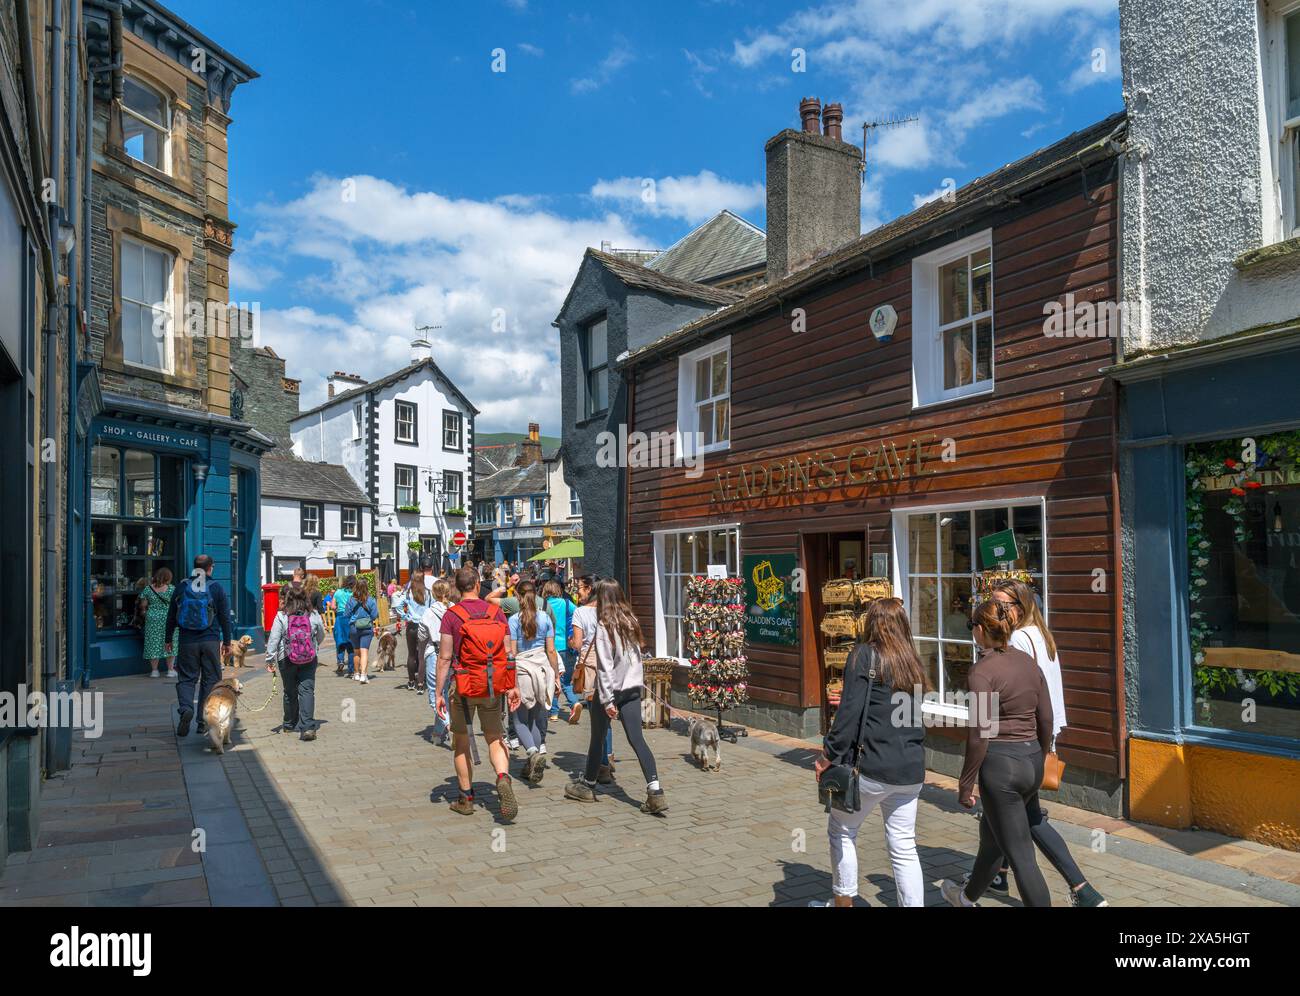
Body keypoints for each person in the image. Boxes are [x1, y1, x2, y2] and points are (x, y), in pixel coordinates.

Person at [972, 580, 1108, 907]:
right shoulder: (1042, 635)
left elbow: (1016, 692)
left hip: (1022, 740)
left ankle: (1082, 889)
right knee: (1007, 820)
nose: (998, 610)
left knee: (1029, 821)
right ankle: (999, 877)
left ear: (1019, 607)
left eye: (1003, 604)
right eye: (993, 603)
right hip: (1043, 734)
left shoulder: (1018, 638)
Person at [809, 598, 928, 907]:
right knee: (903, 846)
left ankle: (842, 904)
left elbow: (848, 717)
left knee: (842, 831)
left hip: (871, 767)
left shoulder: (863, 655)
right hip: (911, 769)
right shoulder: (912, 660)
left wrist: (827, 756)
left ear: (871, 623)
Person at [941, 600, 1053, 908]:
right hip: (1031, 759)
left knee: (1022, 859)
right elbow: (1046, 719)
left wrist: (966, 784)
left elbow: (980, 734)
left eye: (971, 627)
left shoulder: (982, 671)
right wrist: (1038, 757)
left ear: (979, 630)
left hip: (1002, 769)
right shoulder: (1029, 663)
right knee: (993, 840)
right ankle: (966, 898)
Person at [563, 579, 666, 814]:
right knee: (637, 739)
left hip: (610, 691)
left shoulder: (604, 625)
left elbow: (605, 667)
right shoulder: (631, 621)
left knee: (597, 738)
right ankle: (655, 790)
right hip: (631, 689)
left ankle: (587, 786)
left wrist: (608, 700)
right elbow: (636, 659)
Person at [434, 567, 520, 820]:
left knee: (461, 742)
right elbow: (507, 653)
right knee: (495, 737)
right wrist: (512, 685)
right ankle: (503, 777)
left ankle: (466, 798)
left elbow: (445, 657)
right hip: (493, 683)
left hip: (463, 685)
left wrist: (438, 692)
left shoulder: (452, 615)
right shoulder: (496, 612)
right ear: (479, 583)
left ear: (456, 588)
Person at [164, 554, 233, 738]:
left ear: (194, 567)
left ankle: (186, 708)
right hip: (210, 640)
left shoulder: (182, 586)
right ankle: (203, 720)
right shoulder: (216, 587)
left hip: (187, 641)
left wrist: (168, 638)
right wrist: (227, 642)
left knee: (187, 679)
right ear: (211, 567)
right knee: (210, 680)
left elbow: (171, 615)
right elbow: (225, 617)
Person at [507, 580, 562, 782]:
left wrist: (509, 680)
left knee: (518, 719)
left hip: (522, 670)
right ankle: (535, 756)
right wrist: (556, 676)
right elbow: (551, 650)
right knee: (535, 720)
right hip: (542, 669)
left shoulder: (513, 620)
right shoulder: (545, 618)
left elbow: (512, 653)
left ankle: (532, 753)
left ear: (519, 597)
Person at [567, 575, 615, 780]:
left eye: (579, 587)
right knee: (607, 714)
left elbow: (578, 644)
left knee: (597, 717)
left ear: (589, 589)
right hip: (610, 664)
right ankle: (608, 759)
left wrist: (570, 642)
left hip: (590, 666)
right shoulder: (609, 610)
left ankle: (602, 764)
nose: (577, 591)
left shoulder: (580, 612)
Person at [265, 585, 326, 741]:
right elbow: (321, 634)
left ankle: (289, 724)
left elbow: (273, 639)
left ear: (288, 599)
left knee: (289, 691)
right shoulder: (313, 615)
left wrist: (270, 658)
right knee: (307, 691)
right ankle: (307, 728)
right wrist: (314, 647)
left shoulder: (282, 616)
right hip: (309, 657)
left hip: (286, 658)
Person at [421, 578, 456, 745]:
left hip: (435, 653)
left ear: (433, 594)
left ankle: (450, 727)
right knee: (445, 694)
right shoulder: (455, 610)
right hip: (453, 655)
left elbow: (421, 634)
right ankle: (436, 733)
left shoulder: (429, 612)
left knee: (435, 695)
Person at [541, 578, 579, 718]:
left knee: (552, 679)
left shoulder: (543, 605)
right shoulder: (567, 603)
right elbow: (578, 614)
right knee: (565, 680)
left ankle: (559, 709)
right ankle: (563, 708)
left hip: (550, 647)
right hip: (567, 647)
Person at [140, 567, 179, 679]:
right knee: (171, 641)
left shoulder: (148, 589)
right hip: (168, 618)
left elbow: (143, 605)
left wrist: (147, 612)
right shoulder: (172, 589)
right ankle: (170, 670)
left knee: (153, 643)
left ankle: (154, 671)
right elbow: (176, 604)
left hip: (152, 618)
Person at [395, 569, 430, 691]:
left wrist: (405, 616)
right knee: (422, 655)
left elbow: (396, 605)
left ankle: (410, 682)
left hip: (411, 625)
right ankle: (420, 684)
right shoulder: (428, 593)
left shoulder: (408, 592)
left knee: (411, 655)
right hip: (424, 625)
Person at [343, 576, 378, 684]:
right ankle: (364, 675)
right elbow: (374, 615)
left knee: (356, 652)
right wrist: (367, 619)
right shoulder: (371, 600)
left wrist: (354, 618)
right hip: (367, 628)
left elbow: (346, 614)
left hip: (354, 628)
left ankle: (356, 674)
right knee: (364, 652)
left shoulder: (351, 600)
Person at [332, 582, 354, 676]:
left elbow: (333, 606)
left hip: (339, 618)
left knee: (340, 641)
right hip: (349, 618)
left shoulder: (337, 592)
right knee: (350, 644)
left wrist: (337, 609)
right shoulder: (352, 593)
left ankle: (340, 661)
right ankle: (351, 669)